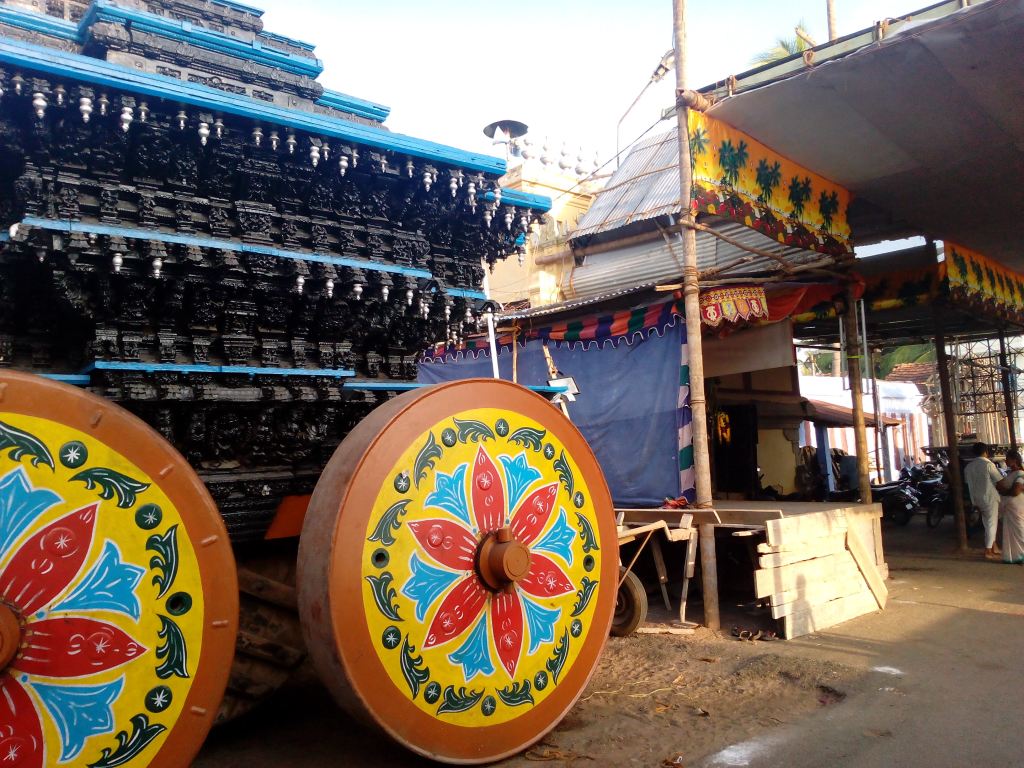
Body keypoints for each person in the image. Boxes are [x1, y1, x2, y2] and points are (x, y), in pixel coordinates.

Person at [963, 442, 1002, 560]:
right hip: (989, 497)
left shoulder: (968, 467)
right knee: (991, 523)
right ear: (986, 452)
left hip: (976, 498)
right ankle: (988, 550)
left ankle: (993, 547)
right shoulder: (988, 464)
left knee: (987, 523)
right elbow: (999, 480)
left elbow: (966, 484)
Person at [997, 449, 1024, 564]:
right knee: (1013, 531)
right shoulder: (1011, 473)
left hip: (1016, 506)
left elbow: (1016, 491)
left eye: (1007, 459)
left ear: (1014, 460)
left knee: (1019, 529)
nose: (1005, 461)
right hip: (1010, 506)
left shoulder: (1020, 474)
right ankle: (1015, 555)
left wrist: (1003, 492)